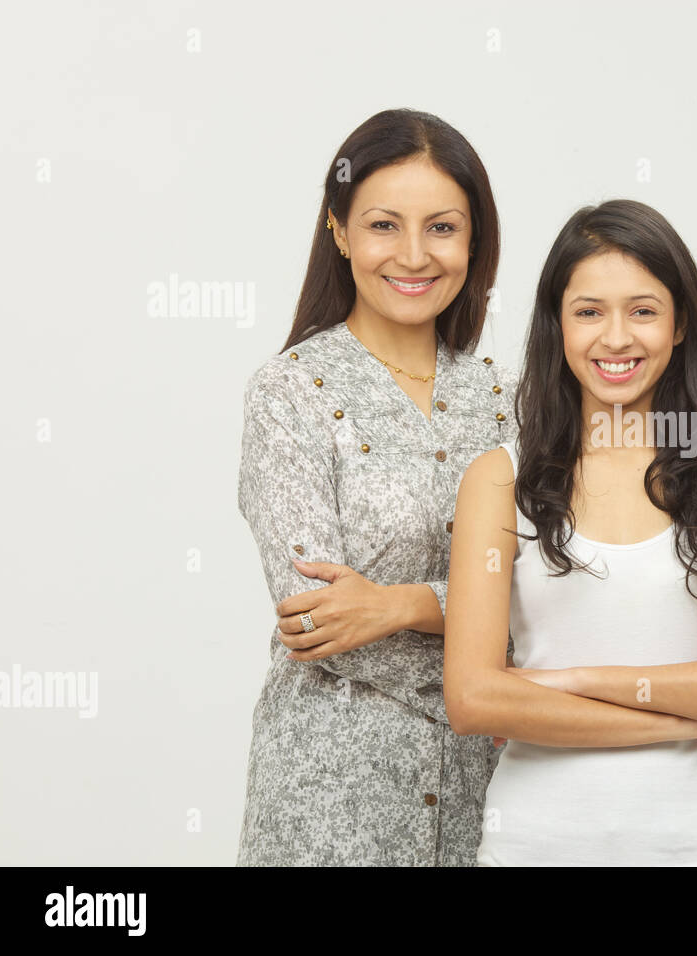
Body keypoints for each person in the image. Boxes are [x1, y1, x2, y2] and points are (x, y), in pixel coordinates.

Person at [443, 199, 697, 866]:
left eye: (643, 310)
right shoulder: (496, 480)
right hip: (535, 846)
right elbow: (472, 698)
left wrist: (561, 680)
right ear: (557, 323)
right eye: (588, 312)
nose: (616, 338)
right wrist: (693, 705)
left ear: (679, 324)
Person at [235, 108, 517, 866]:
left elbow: (558, 582)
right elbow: (317, 619)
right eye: (385, 225)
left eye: (443, 228)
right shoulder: (288, 395)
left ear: (474, 239)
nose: (415, 255)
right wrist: (490, 656)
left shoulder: (510, 401)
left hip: (490, 790)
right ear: (339, 230)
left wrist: (396, 605)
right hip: (331, 793)